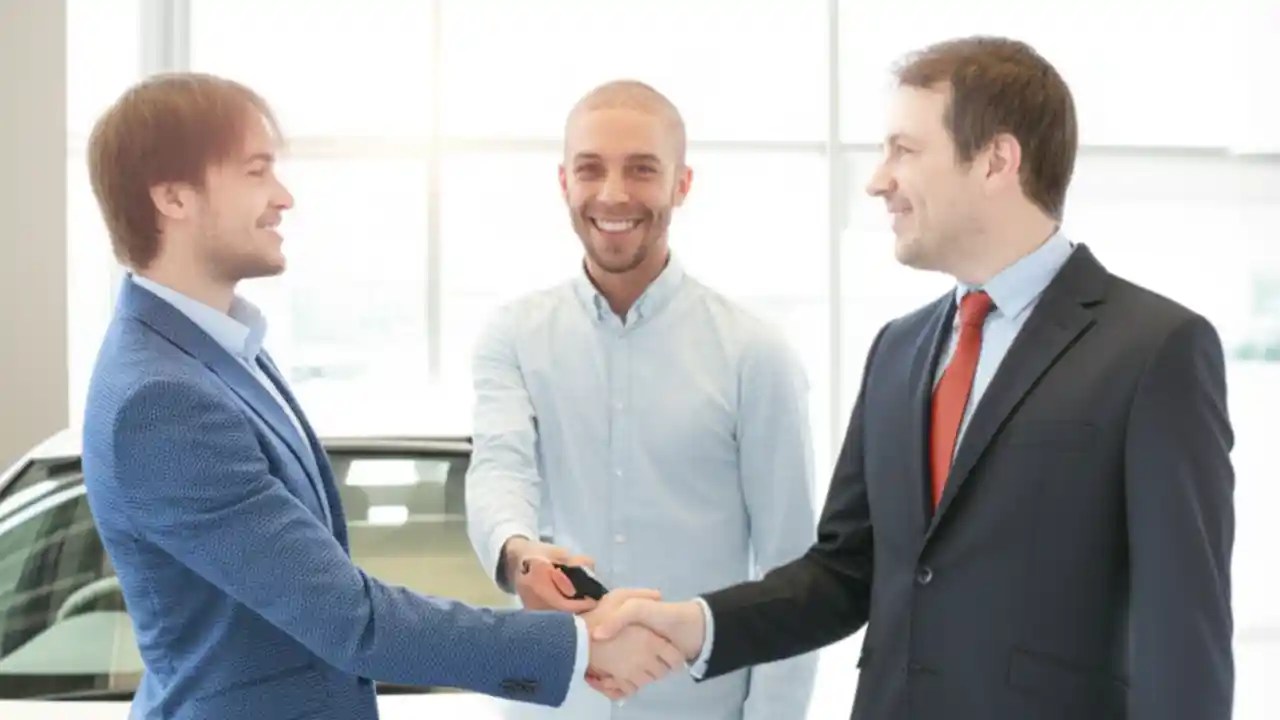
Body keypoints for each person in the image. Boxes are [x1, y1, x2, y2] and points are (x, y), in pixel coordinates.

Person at [592, 36, 1235, 720]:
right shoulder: (899, 351)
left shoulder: (1155, 349)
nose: (877, 180)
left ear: (996, 161)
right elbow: (845, 572)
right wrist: (697, 624)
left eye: (904, 149)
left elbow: (1183, 638)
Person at [79, 72, 683, 720]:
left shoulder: (215, 352)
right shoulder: (162, 401)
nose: (282, 197)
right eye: (256, 172)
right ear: (173, 197)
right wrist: (577, 646)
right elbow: (347, 619)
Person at [464, 79, 819, 719]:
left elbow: (790, 572)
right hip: (553, 704)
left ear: (682, 184)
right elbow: (499, 469)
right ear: (563, 182)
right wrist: (520, 554)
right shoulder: (513, 336)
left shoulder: (755, 353)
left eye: (642, 170)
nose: (613, 194)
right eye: (590, 169)